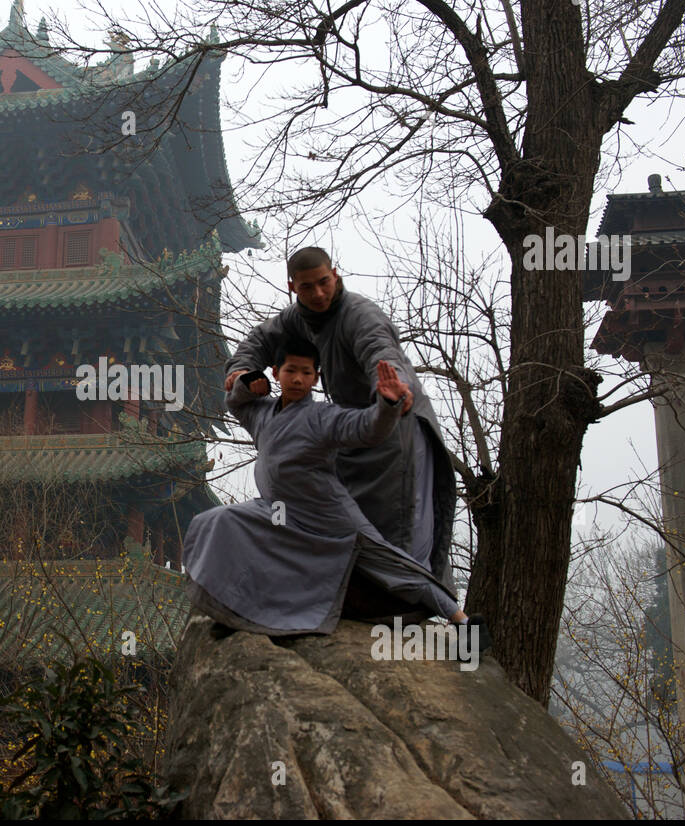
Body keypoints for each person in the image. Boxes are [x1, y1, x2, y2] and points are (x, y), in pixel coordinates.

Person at [184, 335, 484, 640]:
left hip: (327, 514)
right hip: (278, 511)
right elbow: (235, 403)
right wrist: (246, 383)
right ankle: (237, 611)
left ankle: (461, 622)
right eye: (291, 371)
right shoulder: (262, 412)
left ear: (316, 378)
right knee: (219, 522)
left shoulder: (322, 417)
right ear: (275, 372)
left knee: (391, 566)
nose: (298, 379)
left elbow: (367, 428)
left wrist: (388, 405)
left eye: (306, 372)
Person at [225, 246, 457, 588]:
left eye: (324, 282)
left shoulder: (360, 315)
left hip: (394, 422)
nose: (318, 294)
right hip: (348, 430)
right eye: (307, 287)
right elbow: (261, 338)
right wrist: (242, 368)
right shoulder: (297, 318)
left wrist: (391, 392)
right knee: (349, 521)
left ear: (336, 276)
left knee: (397, 527)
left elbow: (381, 351)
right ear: (294, 288)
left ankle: (412, 607)